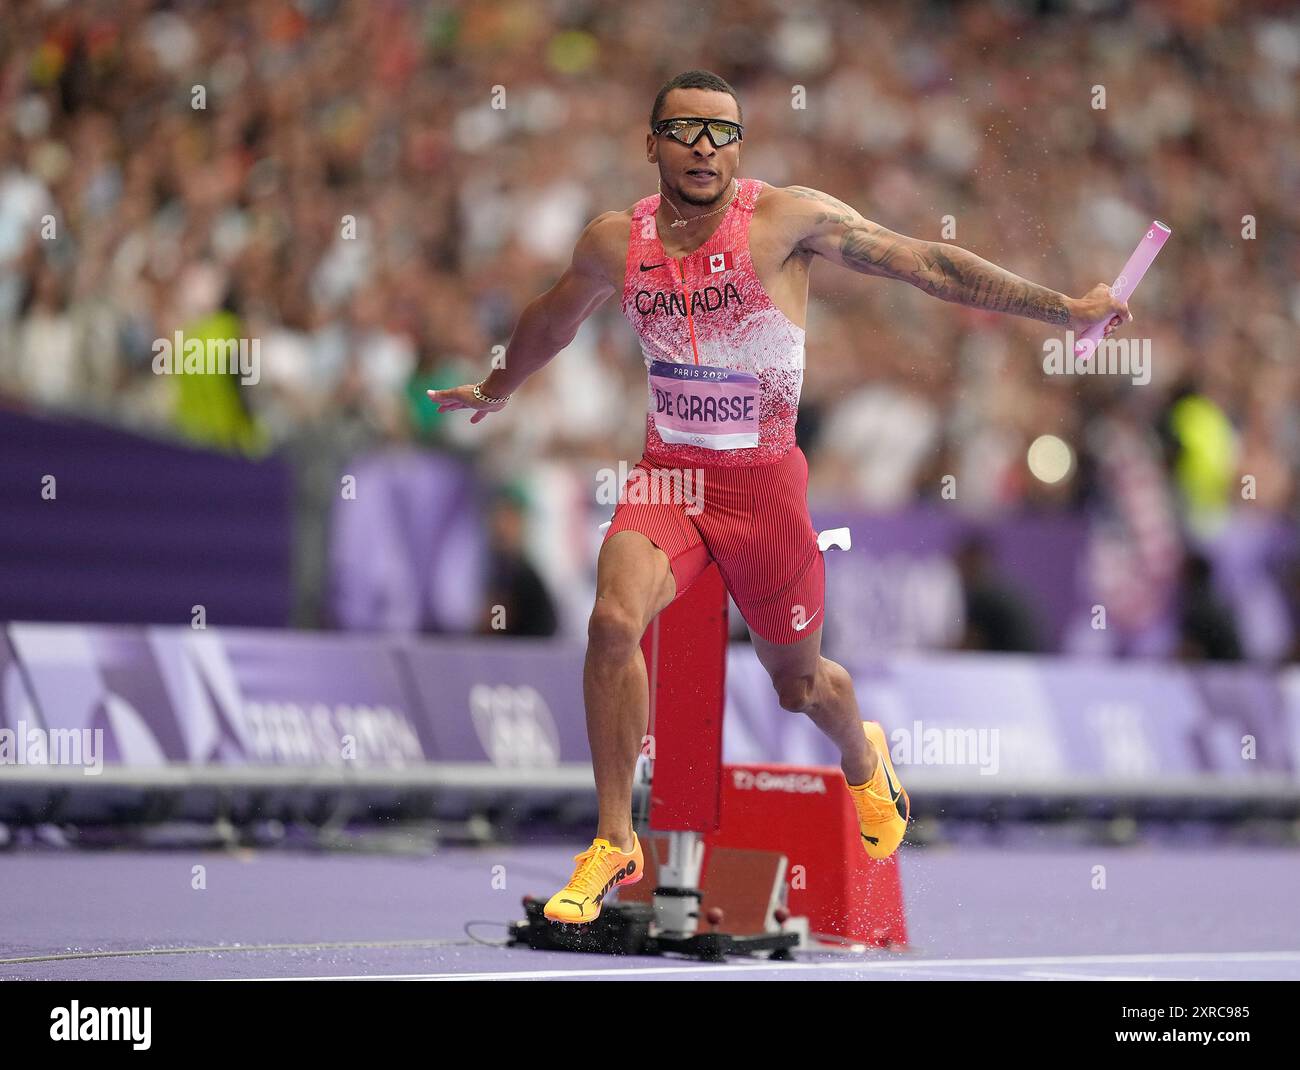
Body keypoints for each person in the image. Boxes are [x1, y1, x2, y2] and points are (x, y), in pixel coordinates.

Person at [429, 69, 1132, 925]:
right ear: (650, 144)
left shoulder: (786, 221)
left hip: (763, 495)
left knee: (800, 688)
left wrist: (1064, 308)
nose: (703, 148)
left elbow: (926, 262)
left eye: (722, 133)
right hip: (669, 479)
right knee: (614, 620)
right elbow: (551, 318)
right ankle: (615, 838)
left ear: (740, 148)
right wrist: (500, 385)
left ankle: (863, 761)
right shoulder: (616, 241)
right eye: (684, 131)